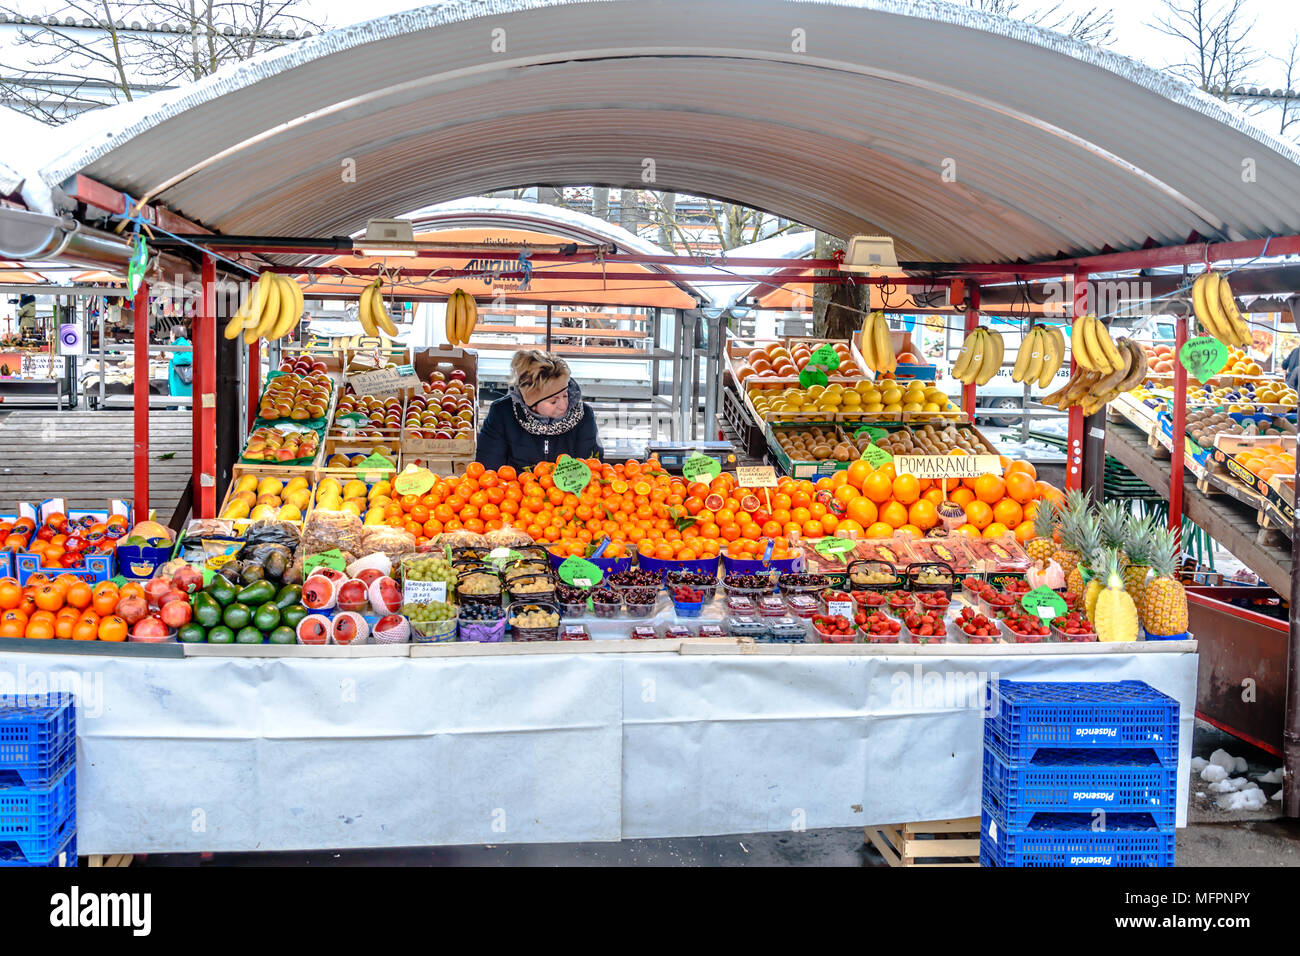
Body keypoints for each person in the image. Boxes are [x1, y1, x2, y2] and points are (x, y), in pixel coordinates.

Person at [477, 350, 602, 471]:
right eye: (553, 401)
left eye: (565, 395)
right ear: (532, 404)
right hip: (514, 490)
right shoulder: (502, 413)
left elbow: (592, 468)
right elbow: (488, 469)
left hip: (567, 492)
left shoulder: (584, 415)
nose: (563, 405)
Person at [167, 324, 194, 403]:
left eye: (171, 334)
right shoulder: (181, 343)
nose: (170, 336)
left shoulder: (181, 344)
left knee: (179, 404)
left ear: (174, 334)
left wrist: (173, 357)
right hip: (180, 380)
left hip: (181, 381)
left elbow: (187, 359)